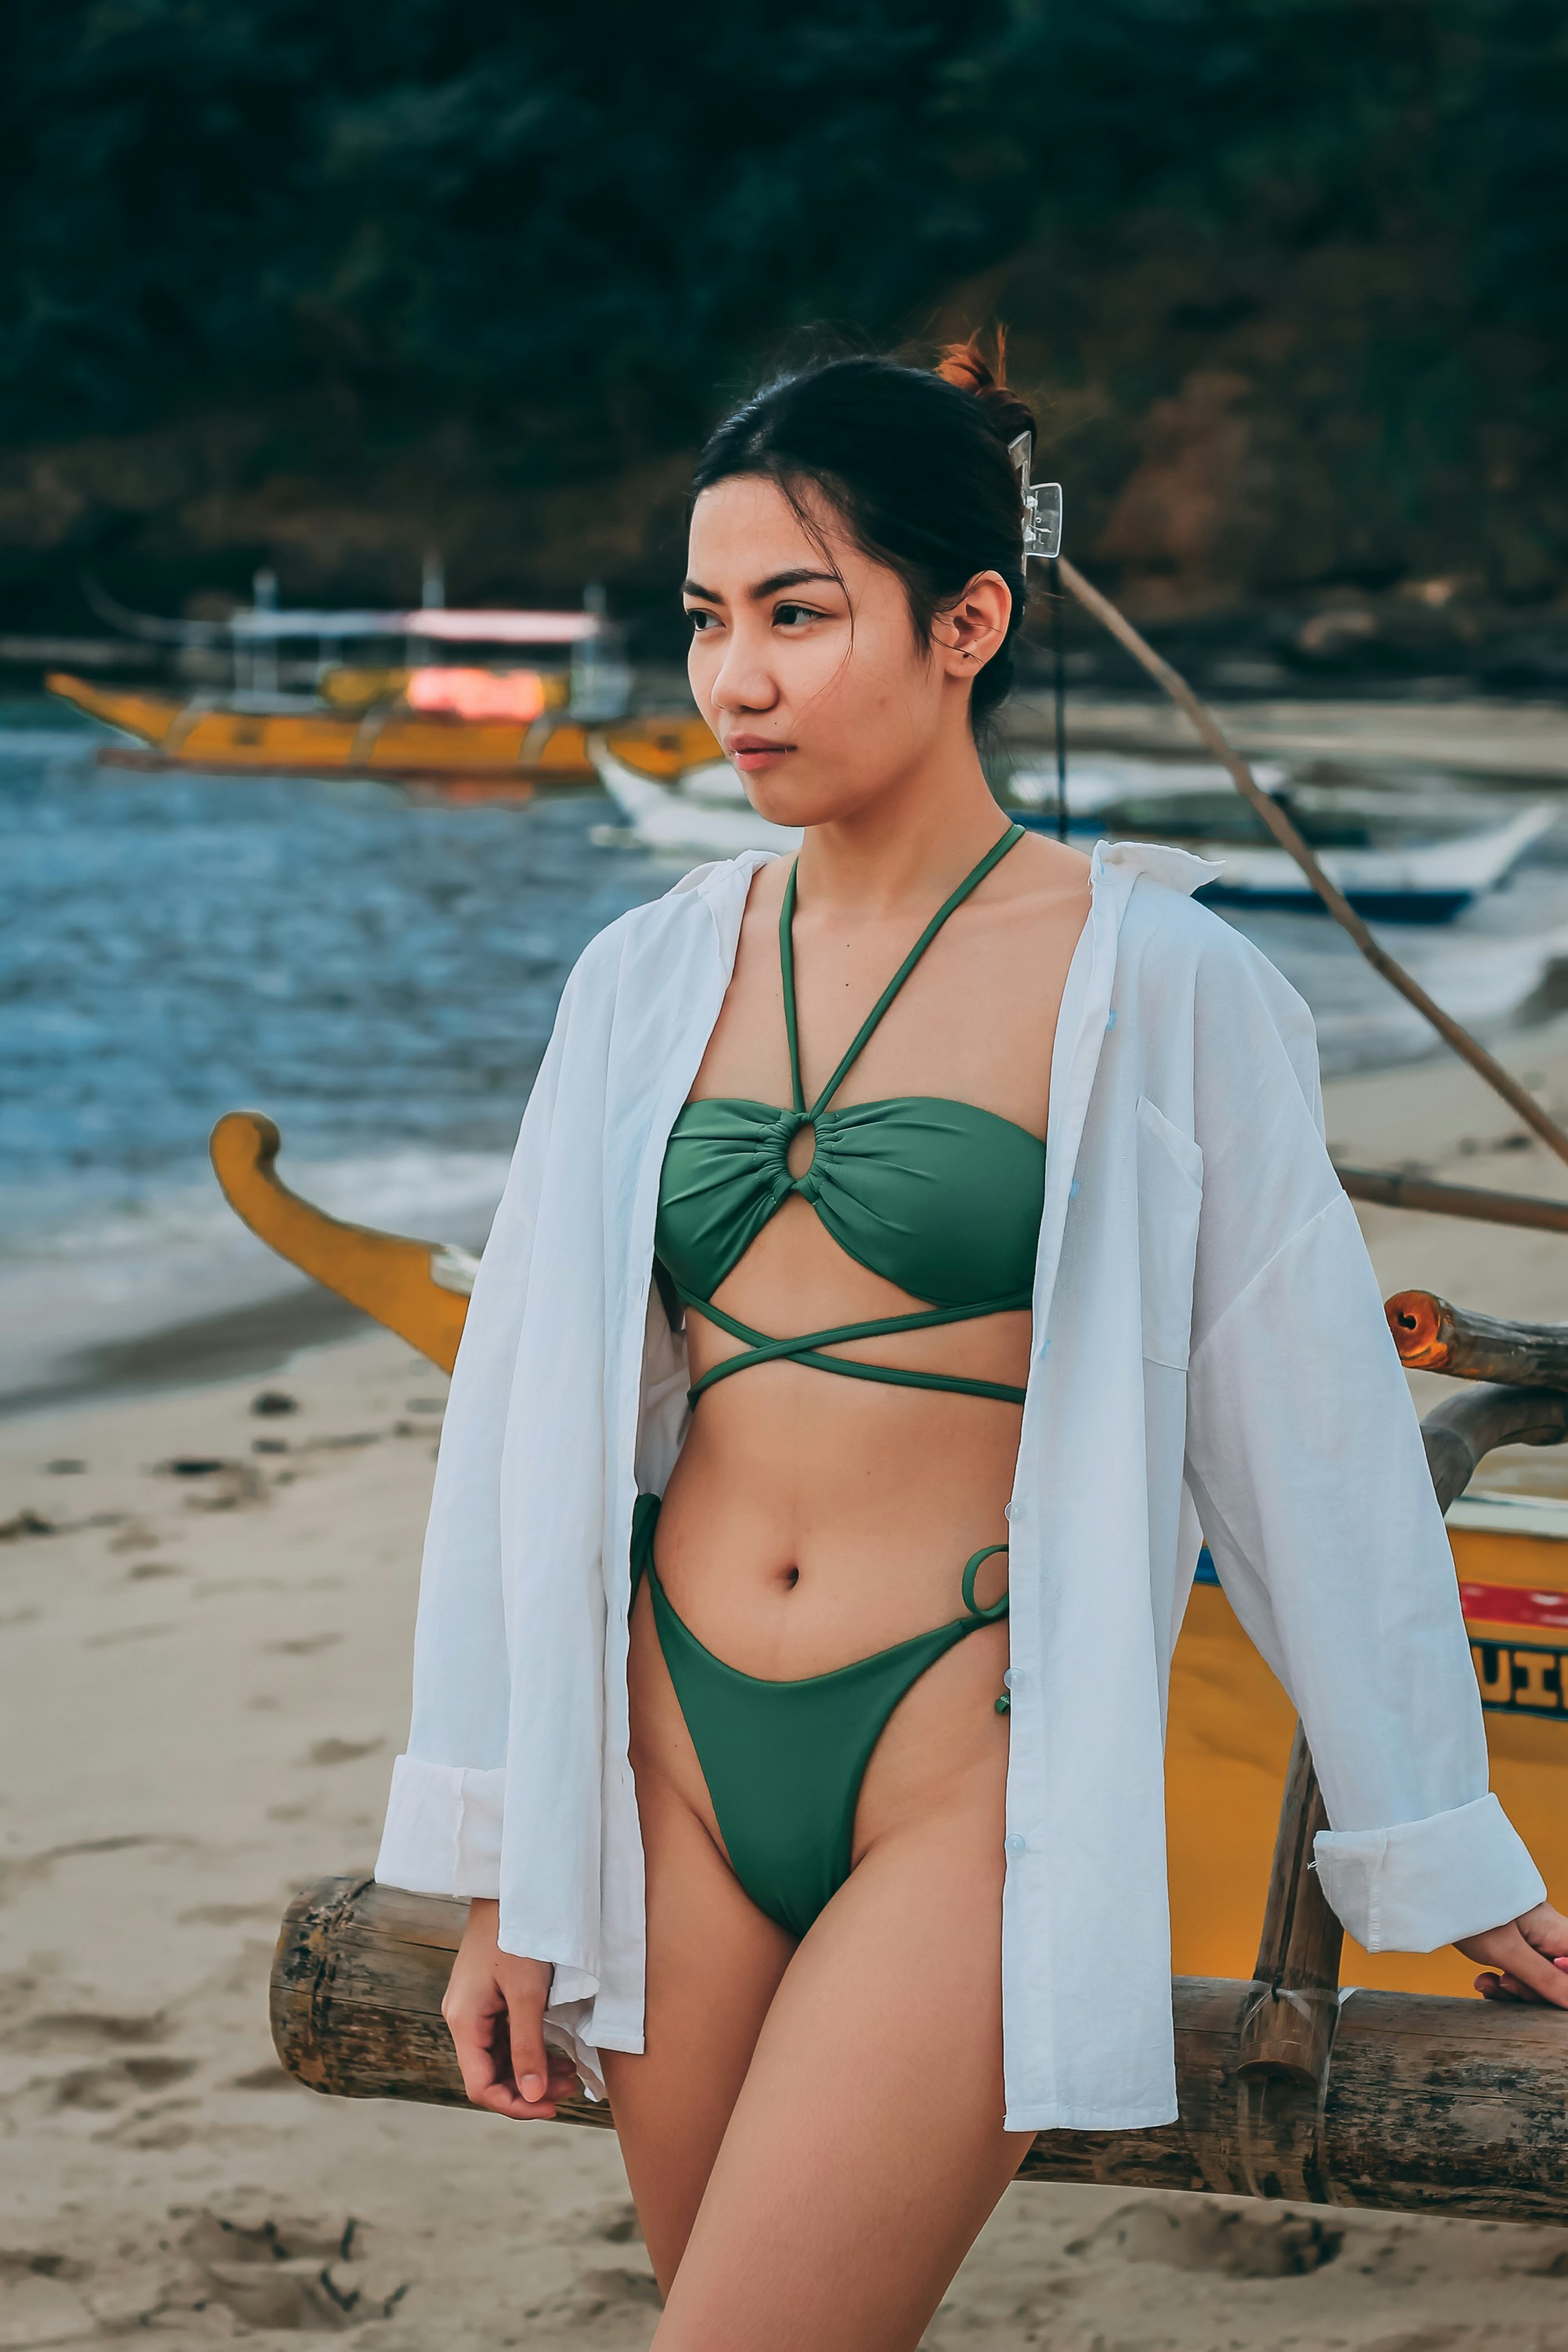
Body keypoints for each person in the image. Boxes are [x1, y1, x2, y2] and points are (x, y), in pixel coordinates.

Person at [374, 343, 1566, 2350]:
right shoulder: (644, 974)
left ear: (968, 624)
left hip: (964, 1776)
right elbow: (515, 1423)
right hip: (662, 1768)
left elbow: (1309, 1435)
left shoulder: (1160, 982)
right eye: (704, 619)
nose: (733, 680)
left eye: (797, 613)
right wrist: (505, 1859)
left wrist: (1435, 1838)